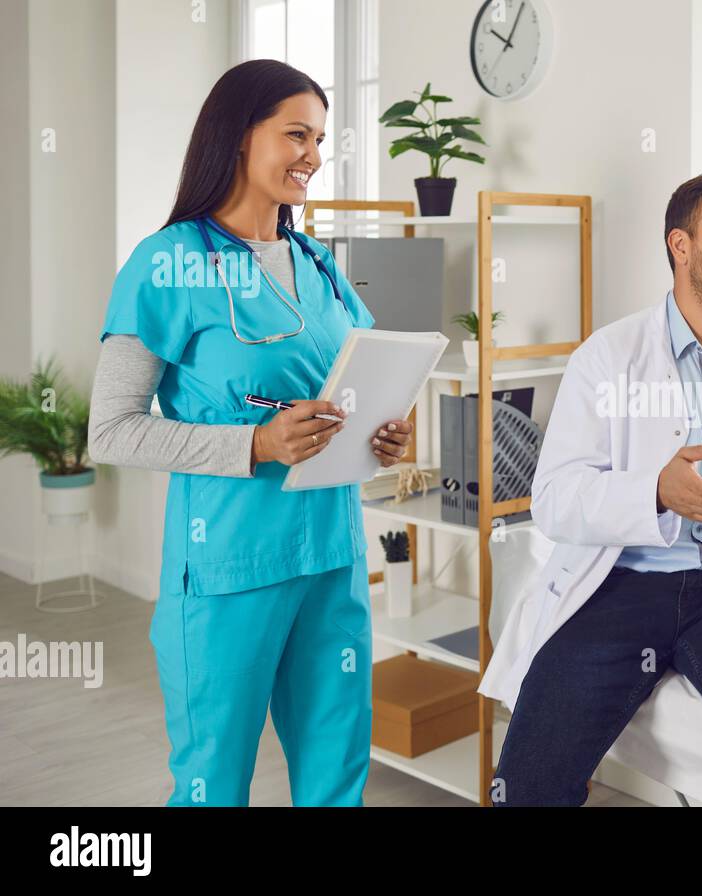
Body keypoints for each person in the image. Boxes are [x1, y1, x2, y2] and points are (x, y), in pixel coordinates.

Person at [89, 59, 412, 807]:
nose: (314, 156)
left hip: (332, 559)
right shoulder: (166, 264)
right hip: (229, 567)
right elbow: (111, 429)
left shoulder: (319, 265)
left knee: (337, 776)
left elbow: (353, 383)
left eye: (322, 139)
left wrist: (381, 434)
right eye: (296, 134)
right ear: (238, 136)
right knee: (213, 785)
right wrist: (255, 444)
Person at [480, 171, 702, 806]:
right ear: (681, 245)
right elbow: (556, 498)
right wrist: (654, 492)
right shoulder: (607, 357)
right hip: (620, 584)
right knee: (531, 776)